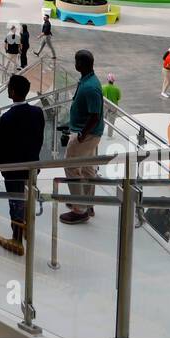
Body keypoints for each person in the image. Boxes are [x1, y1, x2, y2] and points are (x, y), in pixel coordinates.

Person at [0, 74, 45, 256]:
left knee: (16, 202)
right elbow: (39, 139)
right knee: (27, 198)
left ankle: (17, 239)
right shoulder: (38, 113)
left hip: (13, 169)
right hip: (31, 166)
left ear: (13, 92)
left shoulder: (7, 118)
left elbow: (2, 146)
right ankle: (27, 230)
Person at [60, 49, 104, 225]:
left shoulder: (90, 87)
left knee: (70, 165)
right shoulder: (88, 81)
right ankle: (87, 202)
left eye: (76, 61)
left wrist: (81, 135)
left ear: (82, 64)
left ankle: (79, 208)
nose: (75, 64)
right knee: (87, 168)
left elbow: (94, 115)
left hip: (87, 135)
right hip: (89, 133)